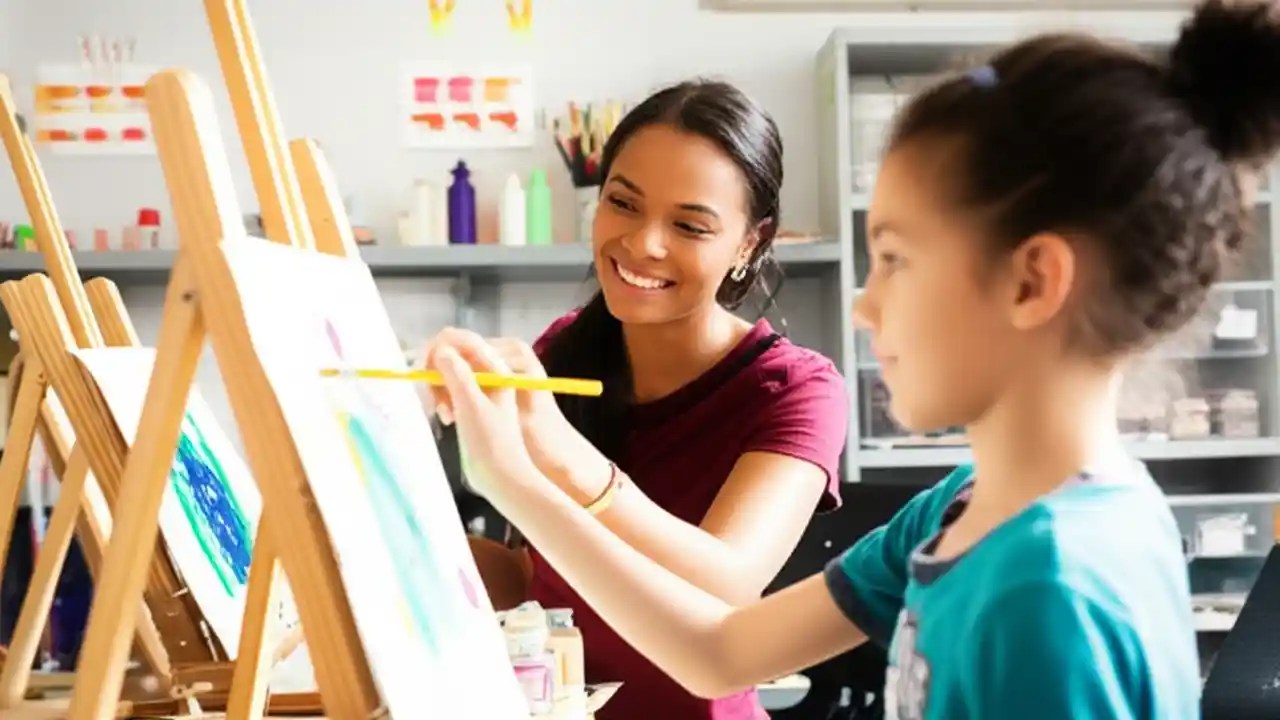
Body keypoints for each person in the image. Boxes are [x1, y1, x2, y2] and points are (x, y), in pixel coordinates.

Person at [430, 1, 1280, 717]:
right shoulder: (962, 509)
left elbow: (719, 602)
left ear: (1032, 281)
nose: (866, 306)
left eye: (898, 260)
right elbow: (717, 651)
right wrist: (503, 485)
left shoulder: (1050, 591)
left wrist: (528, 479)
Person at [429, 80, 849, 719]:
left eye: (688, 224)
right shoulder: (566, 351)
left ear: (749, 244)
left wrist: (560, 460)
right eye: (622, 203)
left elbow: (725, 583)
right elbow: (530, 581)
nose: (643, 242)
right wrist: (399, 516)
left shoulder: (797, 389)